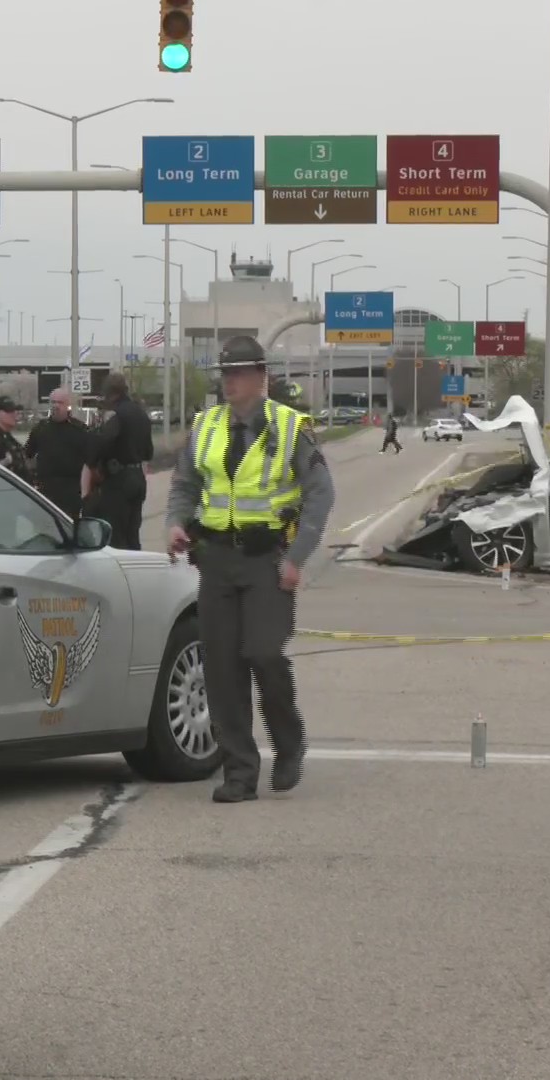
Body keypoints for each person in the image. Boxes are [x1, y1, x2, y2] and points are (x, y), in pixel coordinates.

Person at [165, 335, 336, 802]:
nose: (229, 382)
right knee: (221, 667)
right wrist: (176, 524)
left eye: (239, 373)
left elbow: (321, 493)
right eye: (225, 373)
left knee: (263, 653)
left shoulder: (290, 427)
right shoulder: (205, 427)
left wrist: (297, 557)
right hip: (216, 559)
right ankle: (239, 771)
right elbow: (184, 483)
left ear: (262, 376)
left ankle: (288, 742)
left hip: (267, 560)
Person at [85, 372, 154, 549]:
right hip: (138, 478)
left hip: (119, 481)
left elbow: (104, 441)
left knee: (115, 534)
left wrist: (93, 464)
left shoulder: (117, 415)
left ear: (112, 394)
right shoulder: (141, 414)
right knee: (133, 532)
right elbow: (148, 451)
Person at [24, 387, 93, 518]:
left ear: (68, 405)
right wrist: (32, 478)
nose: (56, 406)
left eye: (60, 402)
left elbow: (90, 462)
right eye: (53, 402)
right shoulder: (41, 429)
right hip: (46, 491)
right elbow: (27, 455)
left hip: (71, 492)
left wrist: (85, 493)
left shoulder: (80, 430)